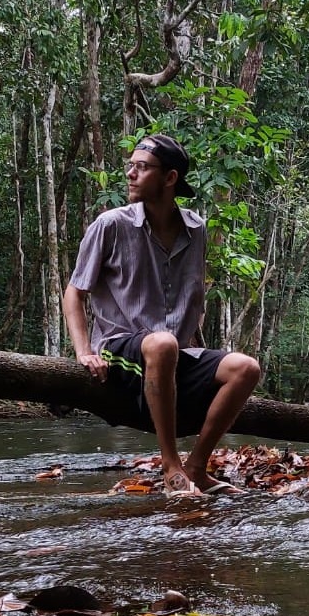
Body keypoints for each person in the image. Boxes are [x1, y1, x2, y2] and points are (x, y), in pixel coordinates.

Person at [62, 134, 261, 496]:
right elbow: (74, 293)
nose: (130, 174)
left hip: (173, 352)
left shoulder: (196, 228)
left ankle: (197, 467)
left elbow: (192, 298)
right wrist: (83, 353)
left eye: (142, 167)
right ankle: (171, 465)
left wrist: (201, 355)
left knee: (246, 367)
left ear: (170, 178)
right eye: (130, 166)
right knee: (163, 343)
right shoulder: (111, 225)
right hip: (120, 347)